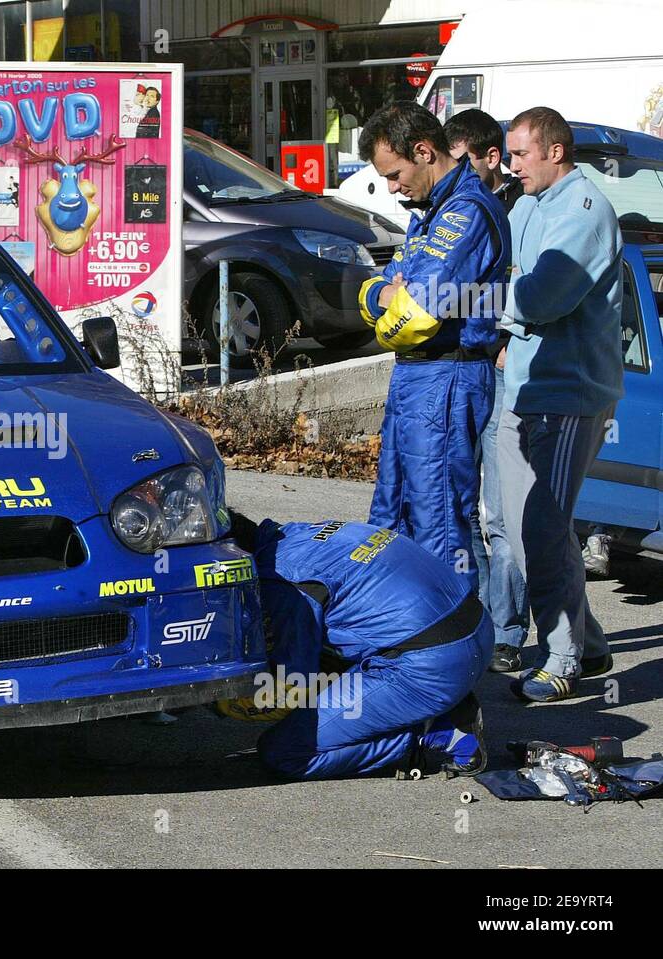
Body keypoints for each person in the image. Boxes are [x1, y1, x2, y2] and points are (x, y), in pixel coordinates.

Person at [357, 102, 512, 593]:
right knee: (392, 510)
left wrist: (387, 304)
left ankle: (453, 649)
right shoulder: (427, 213)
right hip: (416, 379)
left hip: (449, 374)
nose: (392, 187)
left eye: (395, 173)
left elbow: (416, 318)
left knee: (439, 521)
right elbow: (377, 291)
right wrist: (383, 295)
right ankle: (403, 634)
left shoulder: (465, 211)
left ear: (424, 151)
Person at [498, 106, 621, 702]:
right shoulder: (528, 205)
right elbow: (510, 277)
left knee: (543, 529)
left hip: (569, 397)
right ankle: (589, 643)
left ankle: (564, 657)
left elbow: (542, 295)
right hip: (522, 389)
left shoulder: (585, 210)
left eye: (520, 154)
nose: (510, 164)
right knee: (520, 533)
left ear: (554, 151)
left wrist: (489, 301)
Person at [218, 514, 490, 781]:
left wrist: (220, 698)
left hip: (429, 668)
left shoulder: (285, 583)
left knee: (284, 752)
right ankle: (430, 702)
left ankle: (436, 731)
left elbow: (294, 680)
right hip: (477, 629)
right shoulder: (301, 532)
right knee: (329, 641)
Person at [443, 108, 530, 673]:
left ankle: (509, 630)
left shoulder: (518, 212)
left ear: (488, 158)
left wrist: (500, 335)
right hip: (463, 370)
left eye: (462, 162)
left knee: (502, 514)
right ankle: (478, 617)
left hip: (503, 369)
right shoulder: (450, 208)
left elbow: (523, 289)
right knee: (461, 510)